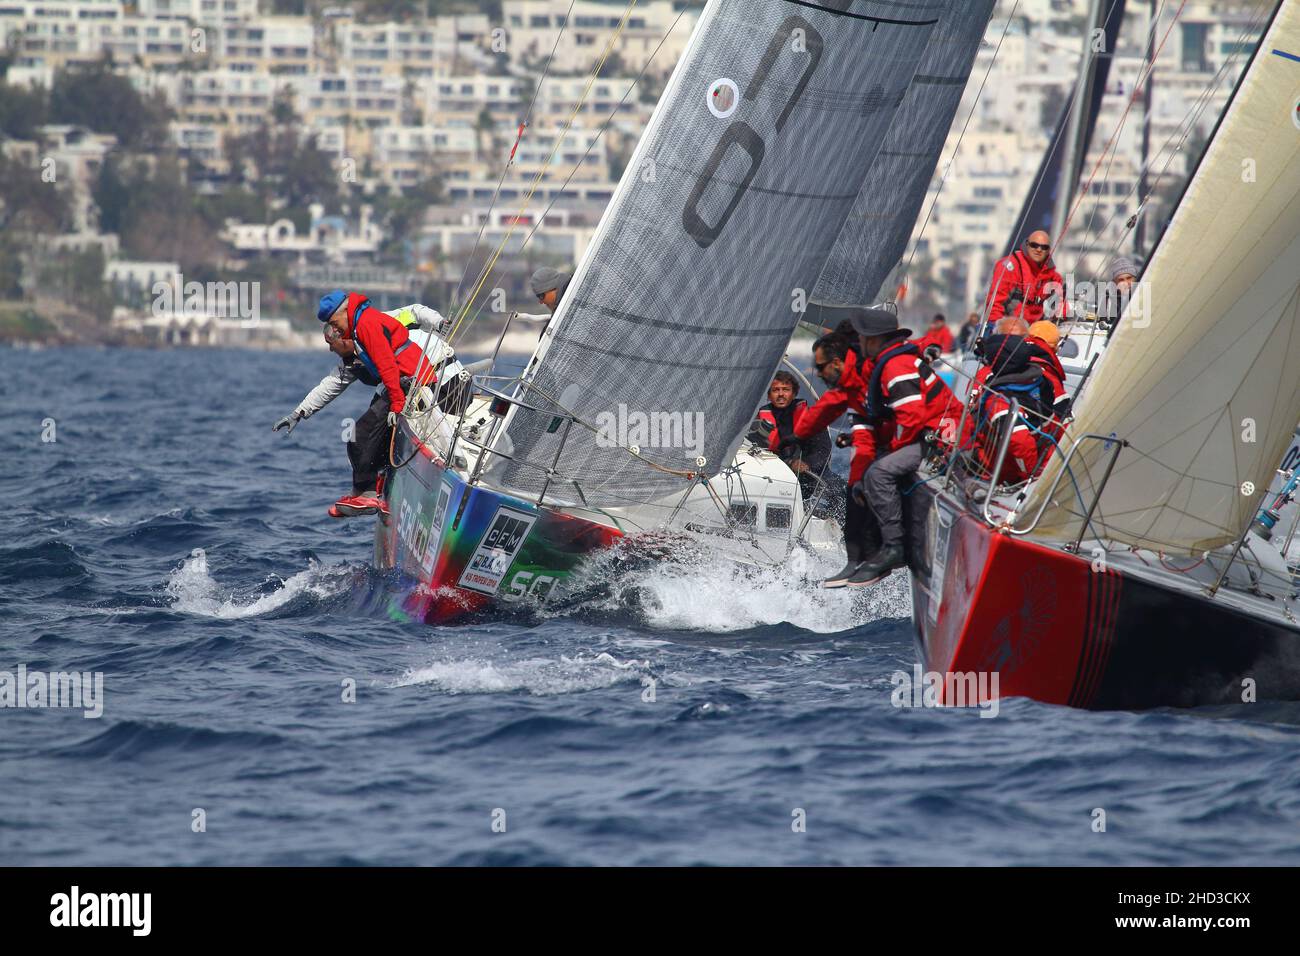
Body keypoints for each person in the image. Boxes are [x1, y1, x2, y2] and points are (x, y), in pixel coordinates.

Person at [274, 290, 448, 517]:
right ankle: (368, 489)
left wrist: (396, 404)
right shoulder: (351, 354)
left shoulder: (366, 324)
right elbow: (329, 386)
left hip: (413, 380)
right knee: (363, 436)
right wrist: (298, 413)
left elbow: (387, 366)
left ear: (344, 313)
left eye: (334, 330)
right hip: (402, 383)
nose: (331, 344)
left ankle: (366, 494)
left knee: (359, 435)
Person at [845, 307, 961, 587]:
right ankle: (881, 548)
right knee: (878, 466)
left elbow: (912, 418)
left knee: (878, 474)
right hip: (931, 433)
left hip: (941, 437)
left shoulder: (895, 366)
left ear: (873, 340)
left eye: (862, 337)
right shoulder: (892, 359)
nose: (859, 343)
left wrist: (892, 451)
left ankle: (894, 547)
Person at [792, 335, 884, 587]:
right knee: (857, 489)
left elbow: (822, 447)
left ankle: (880, 553)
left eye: (820, 367)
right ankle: (855, 559)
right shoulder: (848, 387)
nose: (817, 374)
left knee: (850, 492)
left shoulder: (875, 374)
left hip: (819, 472)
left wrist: (806, 464)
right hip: (865, 450)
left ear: (837, 362)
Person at [749, 371, 838, 509]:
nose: (781, 394)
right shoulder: (758, 421)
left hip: (809, 476)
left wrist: (806, 463)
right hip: (773, 475)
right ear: (768, 394)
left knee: (841, 490)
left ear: (794, 393)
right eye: (775, 390)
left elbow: (823, 450)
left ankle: (840, 528)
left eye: (786, 390)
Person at [983, 230, 1068, 326]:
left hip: (1037, 332)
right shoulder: (1009, 268)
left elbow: (1062, 309)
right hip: (1009, 330)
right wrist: (996, 328)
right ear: (1027, 244)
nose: (1039, 249)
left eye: (1044, 247)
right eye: (1034, 245)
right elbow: (995, 304)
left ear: (1049, 250)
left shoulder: (1054, 278)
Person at [1100, 255, 1139, 336]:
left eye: (1129, 278)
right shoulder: (1109, 300)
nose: (1126, 283)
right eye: (1121, 280)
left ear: (1135, 278)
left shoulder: (1143, 294)